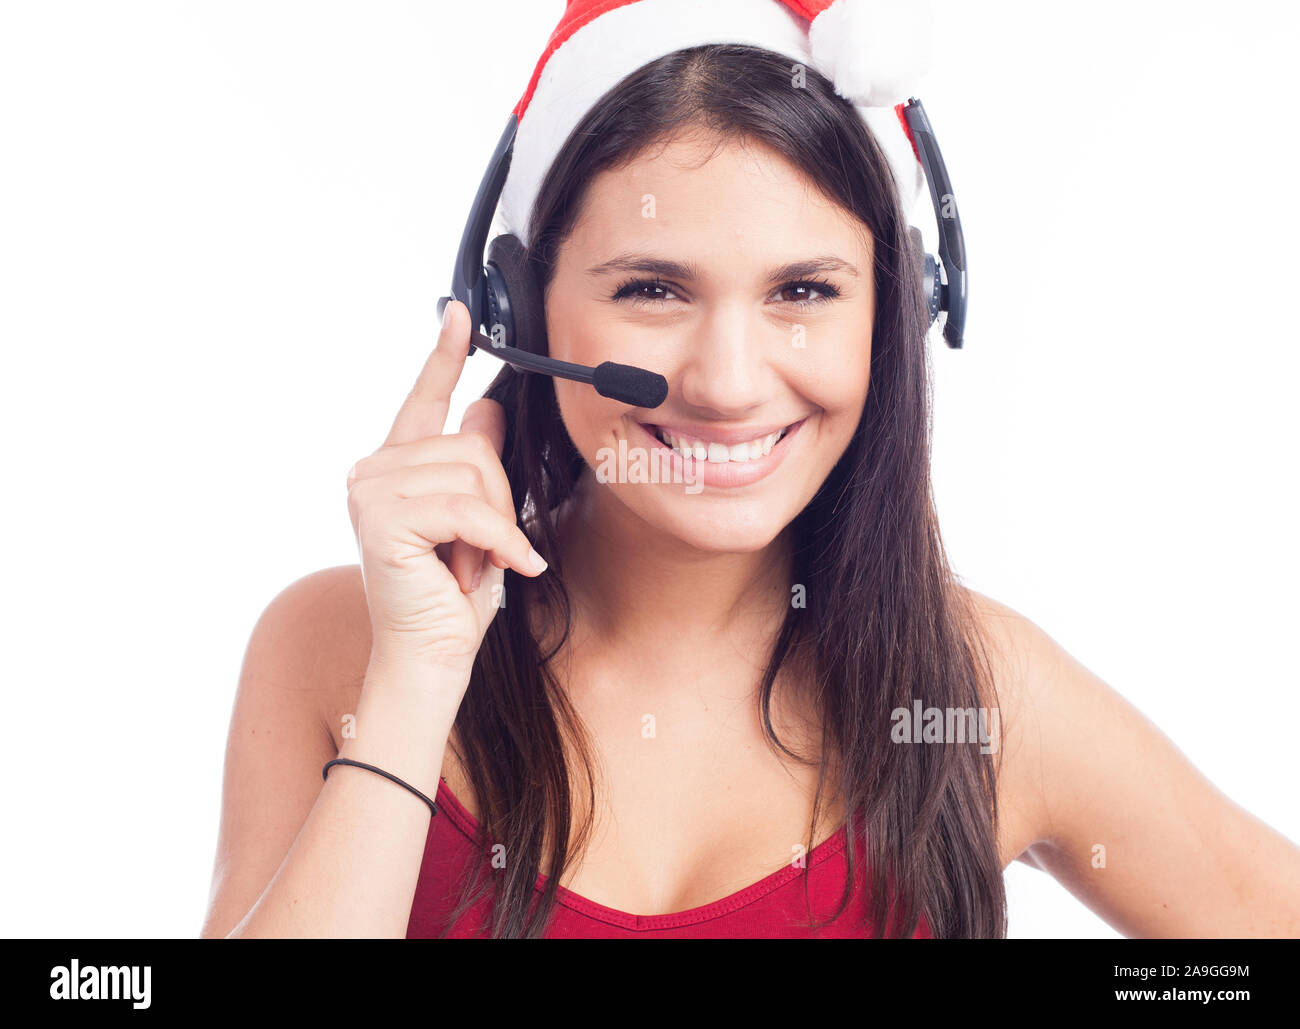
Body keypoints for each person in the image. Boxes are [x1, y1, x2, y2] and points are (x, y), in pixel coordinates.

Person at [200, 0, 1300, 939]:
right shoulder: (338, 651)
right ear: (519, 309)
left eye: (803, 291)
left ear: (895, 314)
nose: (727, 384)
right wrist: (413, 687)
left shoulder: (978, 698)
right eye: (652, 289)